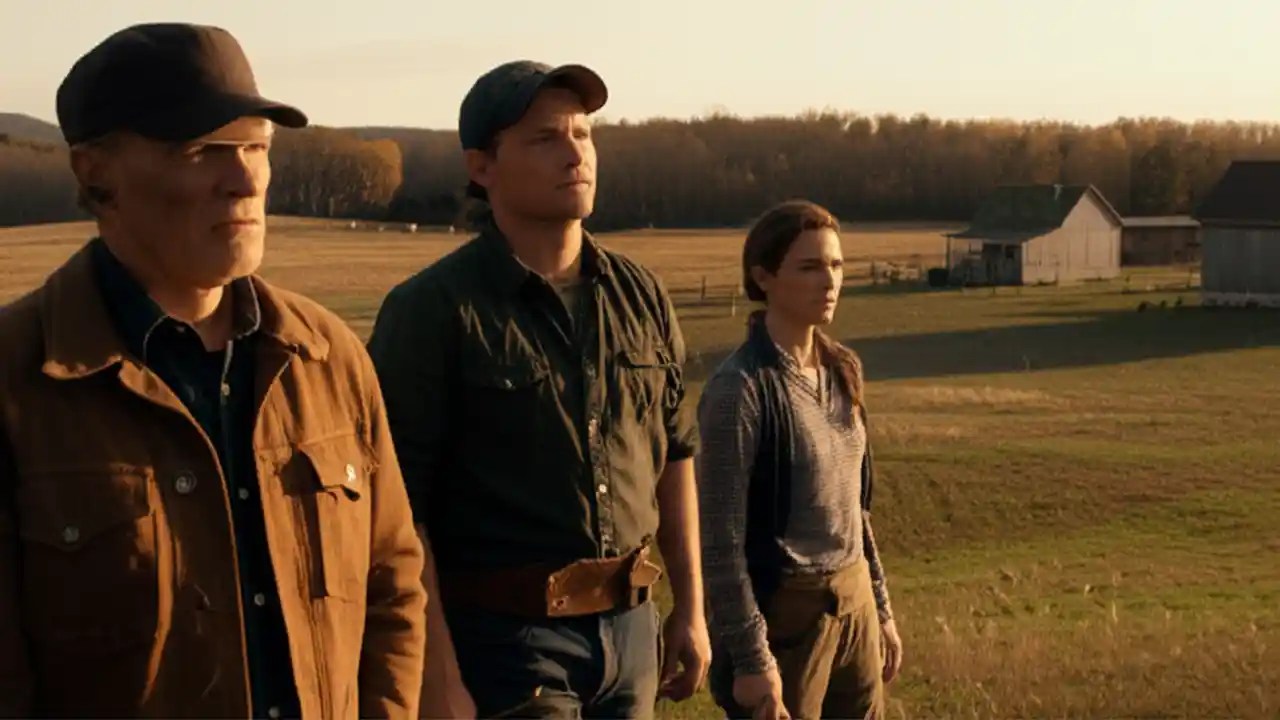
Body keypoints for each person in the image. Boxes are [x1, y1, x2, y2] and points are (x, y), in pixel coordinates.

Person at [0, 23, 426, 718]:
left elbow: (392, 584)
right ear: (94, 172)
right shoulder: (20, 379)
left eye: (257, 147)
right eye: (201, 150)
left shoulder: (327, 359)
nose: (245, 179)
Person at [367, 60, 711, 719]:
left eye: (584, 134)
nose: (575, 153)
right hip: (505, 641)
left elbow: (676, 455)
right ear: (481, 166)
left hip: (632, 632)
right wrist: (437, 675)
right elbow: (399, 516)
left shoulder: (640, 296)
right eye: (545, 138)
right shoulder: (434, 311)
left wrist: (691, 610)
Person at [697, 200, 904, 720]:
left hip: (852, 598)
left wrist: (879, 608)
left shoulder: (842, 369)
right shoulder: (740, 390)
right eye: (809, 267)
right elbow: (720, 543)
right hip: (786, 614)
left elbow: (855, 509)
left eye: (836, 265)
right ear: (763, 277)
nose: (829, 281)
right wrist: (750, 657)